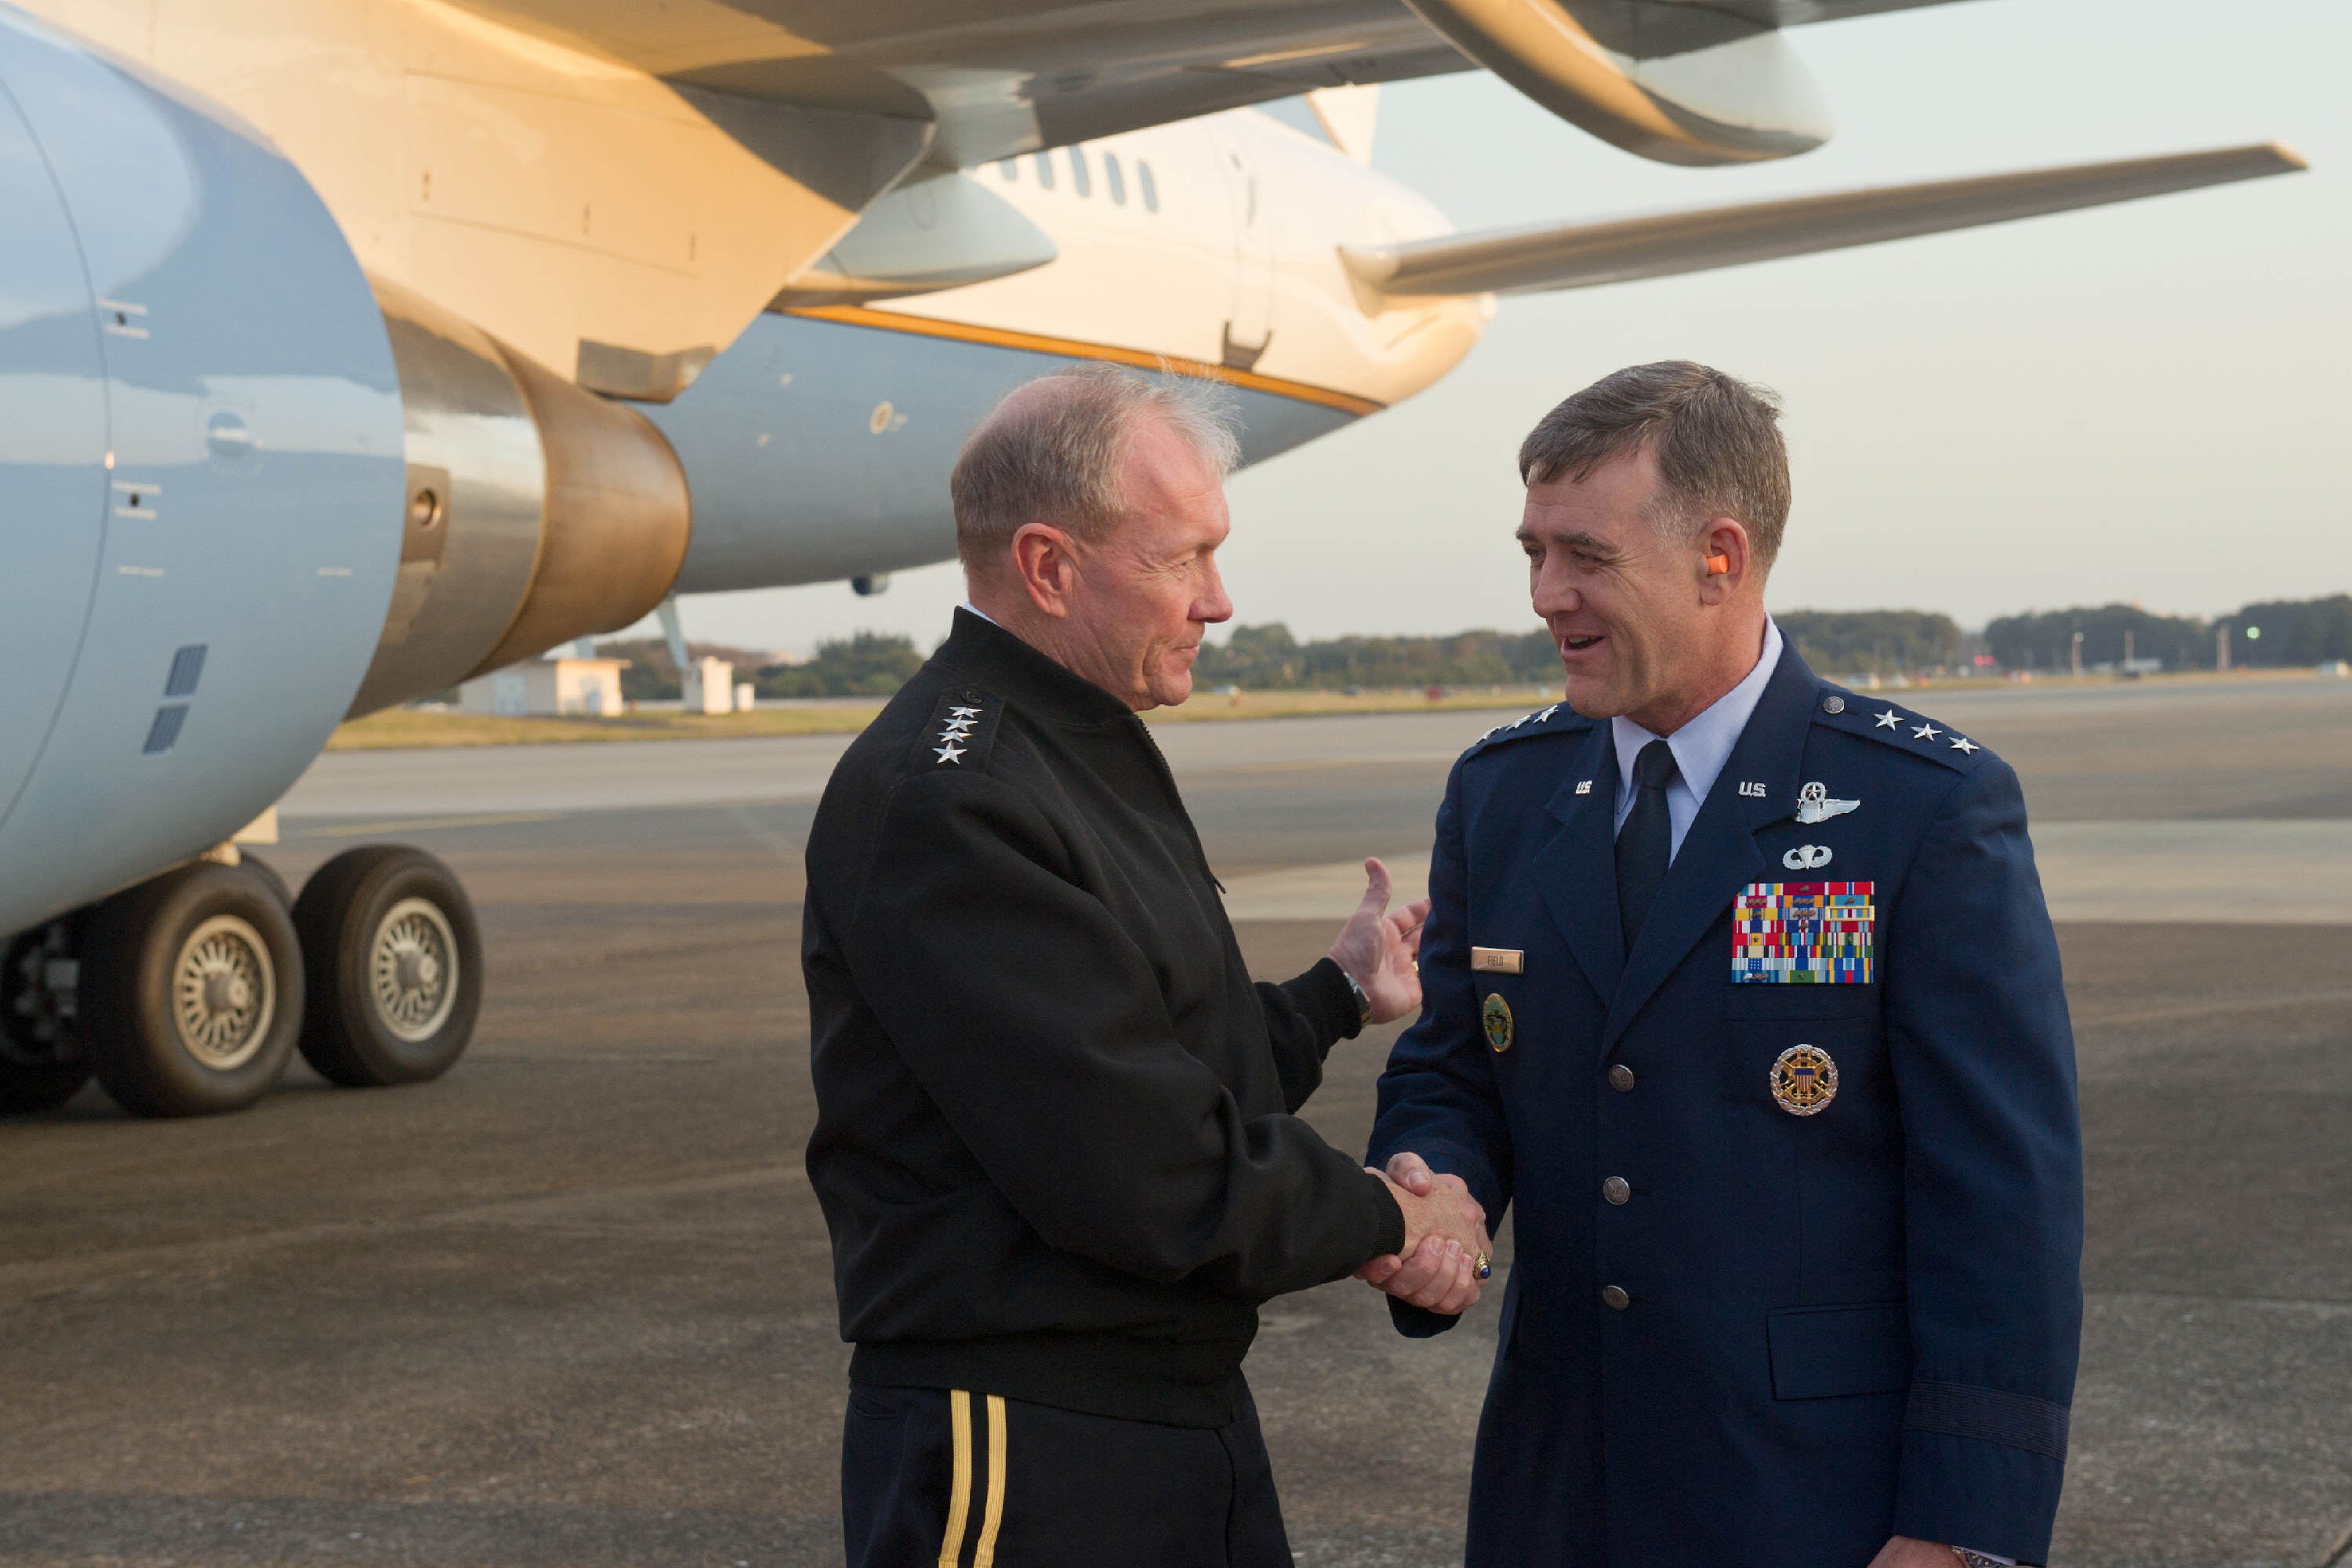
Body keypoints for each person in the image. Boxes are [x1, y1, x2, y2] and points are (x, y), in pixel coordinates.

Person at [1364, 361, 2083, 1568]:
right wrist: (1438, 1189)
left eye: (1584, 555)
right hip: (1558, 1491)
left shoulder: (1920, 807)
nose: (1546, 594)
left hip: (1813, 1499)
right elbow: (1454, 1067)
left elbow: (2001, 1199)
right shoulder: (1504, 793)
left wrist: (1962, 1531)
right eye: (1532, 550)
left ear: (1720, 555)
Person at [802, 364, 1492, 1568]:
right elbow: (1147, 1169)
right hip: (1032, 1449)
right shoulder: (954, 798)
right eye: (1181, 559)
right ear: (1050, 567)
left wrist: (1334, 996)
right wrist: (1394, 1211)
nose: (1217, 602)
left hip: (1173, 1416)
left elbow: (1159, 1059)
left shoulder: (1075, 745)